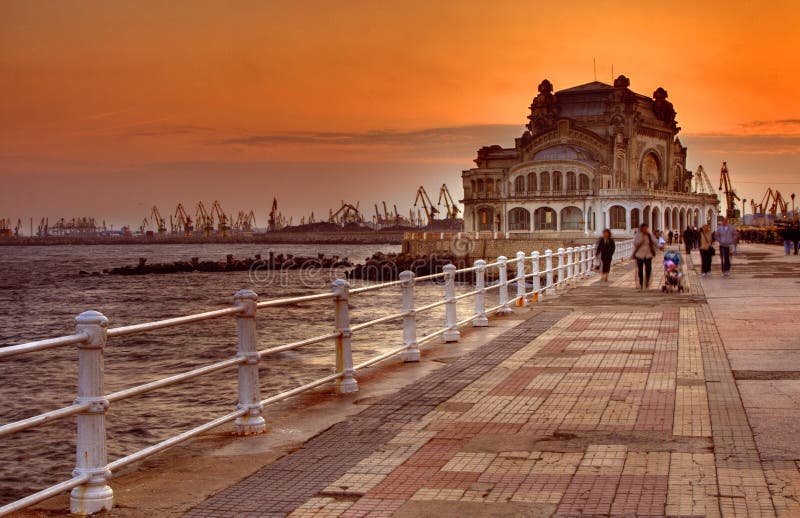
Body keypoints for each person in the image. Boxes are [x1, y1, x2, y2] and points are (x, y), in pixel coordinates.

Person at [633, 222, 658, 290]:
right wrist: (642, 239)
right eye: (643, 228)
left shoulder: (649, 235)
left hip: (648, 254)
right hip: (639, 255)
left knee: (648, 268)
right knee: (640, 270)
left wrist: (660, 246)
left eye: (646, 228)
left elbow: (655, 241)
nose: (645, 229)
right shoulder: (638, 235)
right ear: (641, 229)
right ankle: (641, 283)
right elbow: (635, 243)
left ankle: (647, 280)